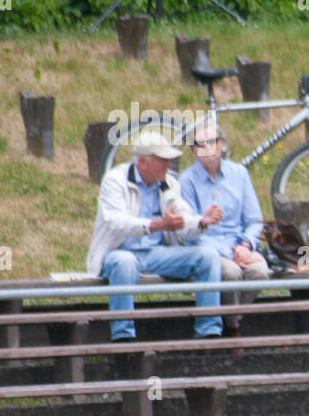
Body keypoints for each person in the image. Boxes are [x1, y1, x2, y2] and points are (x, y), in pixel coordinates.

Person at [86, 130, 222, 341]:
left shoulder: (169, 184)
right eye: (163, 161)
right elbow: (117, 222)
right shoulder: (114, 181)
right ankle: (124, 338)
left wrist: (201, 222)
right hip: (118, 252)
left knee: (208, 256)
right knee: (125, 262)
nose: (169, 166)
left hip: (157, 254)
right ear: (143, 163)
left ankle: (209, 332)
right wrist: (155, 225)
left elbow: (182, 219)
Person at [178, 120, 269, 336]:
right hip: (207, 247)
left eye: (212, 142)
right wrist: (230, 253)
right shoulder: (187, 181)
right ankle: (234, 328)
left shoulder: (239, 174)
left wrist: (246, 245)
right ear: (193, 149)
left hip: (238, 245)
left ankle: (232, 320)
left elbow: (255, 220)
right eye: (200, 144)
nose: (207, 148)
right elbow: (190, 230)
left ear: (222, 144)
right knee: (230, 271)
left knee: (259, 271)